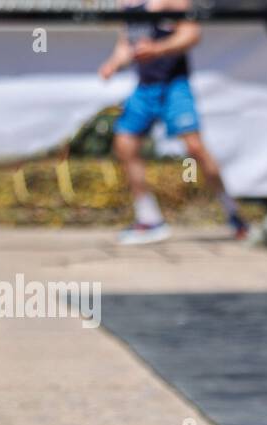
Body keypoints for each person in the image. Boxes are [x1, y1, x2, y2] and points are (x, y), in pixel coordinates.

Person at [99, 0, 247, 244]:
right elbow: (126, 45)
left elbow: (191, 34)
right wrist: (113, 64)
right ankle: (149, 218)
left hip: (174, 85)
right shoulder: (126, 5)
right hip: (145, 87)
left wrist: (158, 49)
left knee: (195, 148)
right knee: (124, 144)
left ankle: (233, 213)